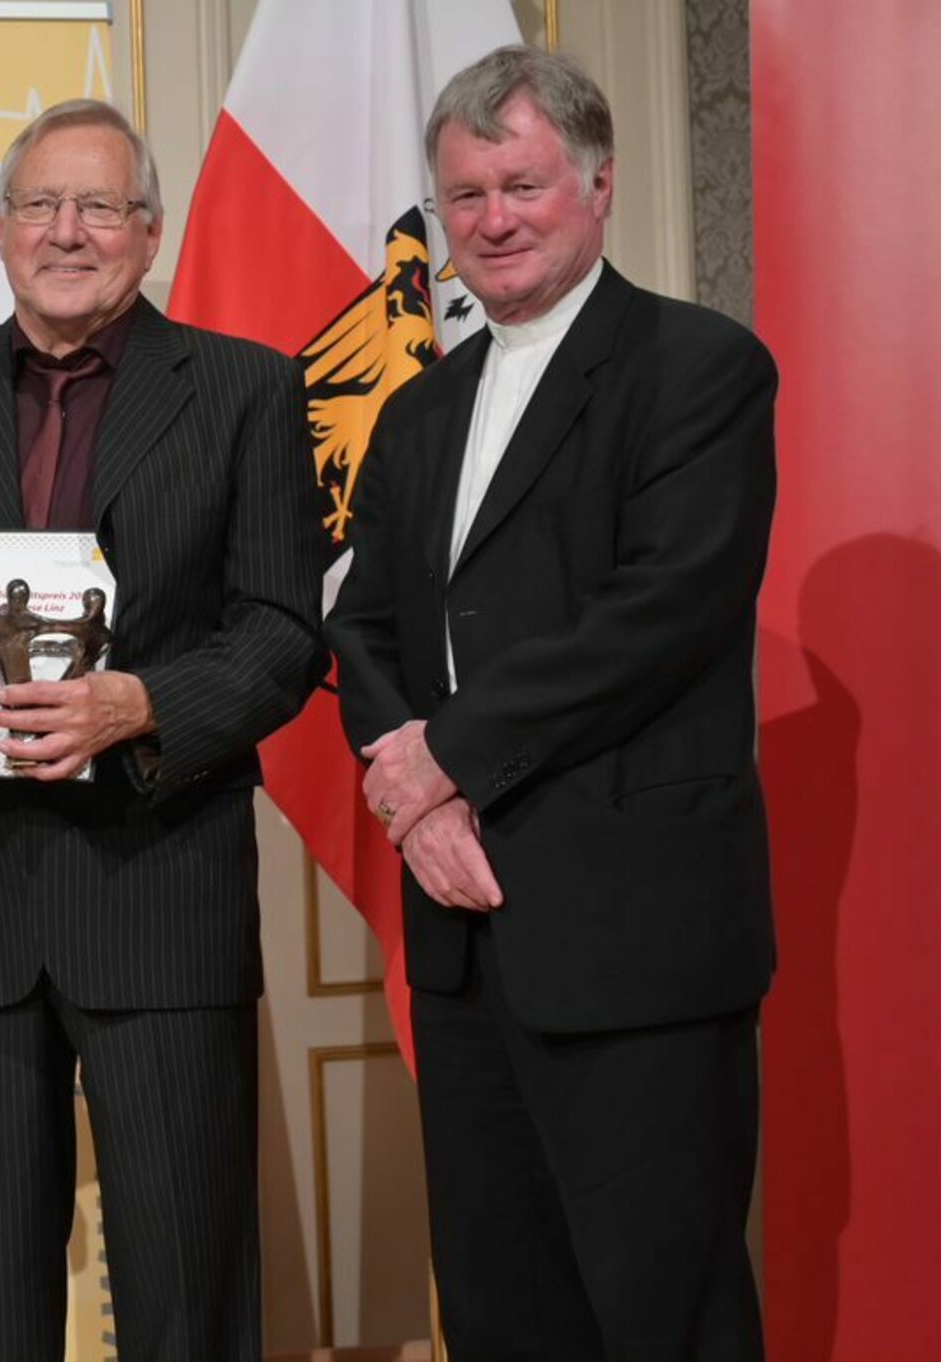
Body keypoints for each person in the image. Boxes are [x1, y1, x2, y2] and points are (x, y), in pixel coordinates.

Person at [0, 98, 325, 1362]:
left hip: (157, 899)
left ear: (147, 233)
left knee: (184, 1300)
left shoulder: (248, 391)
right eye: (40, 204)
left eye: (99, 206)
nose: (66, 231)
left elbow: (279, 633)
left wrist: (139, 702)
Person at [325, 46, 776, 1362]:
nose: (494, 219)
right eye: (465, 197)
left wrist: (443, 762)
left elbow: (661, 612)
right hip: (465, 940)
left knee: (662, 1314)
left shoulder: (701, 368)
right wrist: (415, 808)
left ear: (598, 183)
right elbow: (362, 624)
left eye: (521, 184)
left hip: (634, 937)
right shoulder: (418, 413)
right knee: (502, 1309)